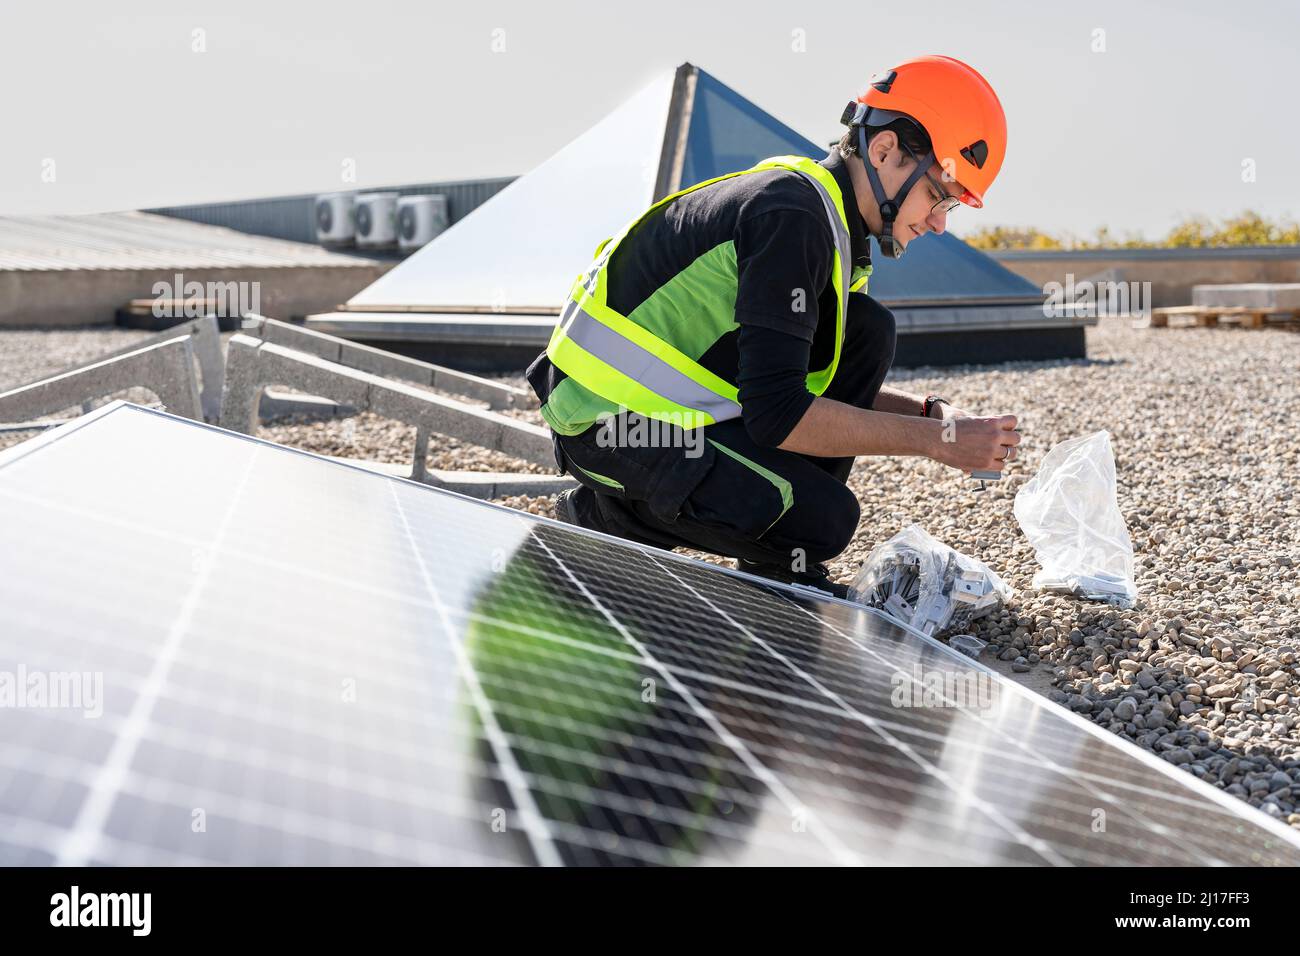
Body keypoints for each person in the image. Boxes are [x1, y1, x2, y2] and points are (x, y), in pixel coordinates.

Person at [526, 55, 1021, 598]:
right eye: (938, 195)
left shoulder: (818, 214)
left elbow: (784, 377)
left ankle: (778, 548)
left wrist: (930, 413)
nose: (940, 222)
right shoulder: (791, 218)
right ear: (885, 152)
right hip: (603, 425)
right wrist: (937, 441)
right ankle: (607, 517)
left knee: (865, 330)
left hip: (650, 410)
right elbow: (780, 414)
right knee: (826, 521)